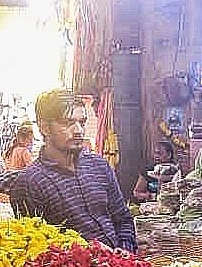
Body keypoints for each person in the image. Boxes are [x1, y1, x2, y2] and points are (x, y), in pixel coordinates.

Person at [8, 88, 137, 252]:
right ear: (45, 128)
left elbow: (123, 218)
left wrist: (125, 250)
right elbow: (34, 246)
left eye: (81, 122)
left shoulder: (99, 166)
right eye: (68, 123)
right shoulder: (29, 183)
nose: (78, 130)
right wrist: (87, 254)